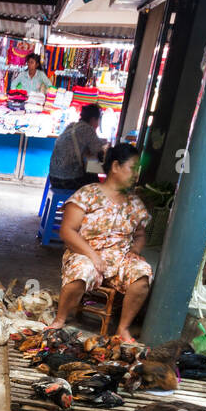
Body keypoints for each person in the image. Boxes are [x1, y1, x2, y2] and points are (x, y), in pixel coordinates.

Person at [51, 143, 151, 342]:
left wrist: (135, 249)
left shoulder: (135, 204)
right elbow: (67, 231)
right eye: (133, 168)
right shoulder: (87, 194)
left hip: (120, 259)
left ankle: (122, 329)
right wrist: (93, 256)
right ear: (115, 166)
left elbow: (140, 234)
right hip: (84, 253)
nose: (136, 174)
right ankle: (60, 318)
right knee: (82, 272)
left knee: (143, 275)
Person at [48, 104, 107, 195]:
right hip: (67, 181)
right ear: (93, 119)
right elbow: (99, 151)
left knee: (90, 172)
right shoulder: (87, 129)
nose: (98, 124)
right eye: (98, 120)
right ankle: (89, 206)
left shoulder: (71, 126)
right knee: (93, 181)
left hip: (53, 177)